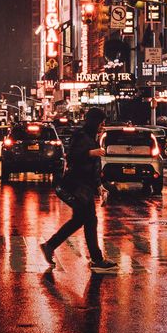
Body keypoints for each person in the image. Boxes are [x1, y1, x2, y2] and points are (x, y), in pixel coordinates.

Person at [40, 108, 116, 273]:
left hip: (86, 187)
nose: (103, 126)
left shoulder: (92, 138)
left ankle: (50, 246)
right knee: (88, 220)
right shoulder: (81, 136)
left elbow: (95, 166)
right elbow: (72, 156)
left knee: (83, 220)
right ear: (94, 122)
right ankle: (95, 259)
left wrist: (100, 187)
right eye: (101, 123)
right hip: (76, 186)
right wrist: (91, 152)